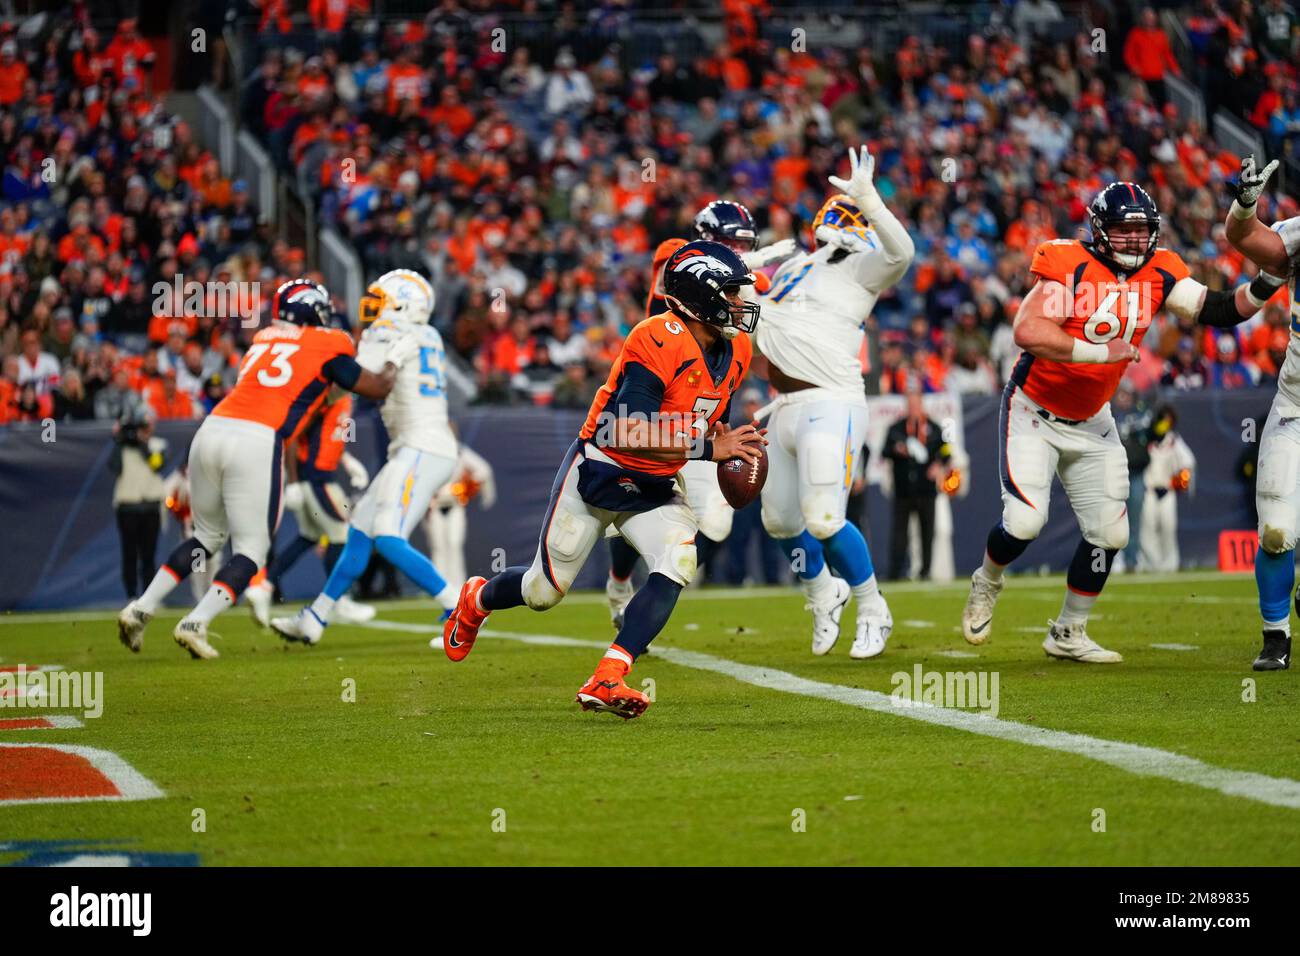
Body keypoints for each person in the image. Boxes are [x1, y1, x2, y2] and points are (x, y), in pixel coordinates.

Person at [440, 240, 765, 720]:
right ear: (702, 295)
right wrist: (706, 449)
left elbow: (710, 417)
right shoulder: (658, 337)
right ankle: (478, 597)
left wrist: (731, 446)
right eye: (732, 293)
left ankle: (608, 676)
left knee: (677, 560)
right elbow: (624, 429)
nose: (741, 303)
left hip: (655, 485)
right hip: (600, 472)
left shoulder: (737, 349)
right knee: (542, 593)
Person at [961, 180, 1284, 663]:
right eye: (1123, 231)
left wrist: (1268, 282)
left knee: (1110, 536)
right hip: (1035, 411)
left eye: (1142, 232)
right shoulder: (1067, 263)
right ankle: (987, 579)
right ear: (1099, 229)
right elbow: (1028, 331)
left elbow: (1218, 310)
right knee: (1025, 522)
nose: (1135, 242)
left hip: (1093, 419)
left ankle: (1069, 632)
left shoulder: (1160, 271)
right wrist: (1100, 352)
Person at [116, 279, 411, 660]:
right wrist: (395, 358)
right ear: (313, 312)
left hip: (211, 429)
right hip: (256, 439)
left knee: (205, 537)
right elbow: (376, 387)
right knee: (252, 551)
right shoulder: (328, 342)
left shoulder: (263, 339)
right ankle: (195, 622)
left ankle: (141, 608)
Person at [752, 145, 915, 659]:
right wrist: (742, 274)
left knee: (823, 519)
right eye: (844, 207)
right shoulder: (793, 267)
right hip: (783, 405)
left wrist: (872, 202)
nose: (845, 217)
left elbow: (903, 253)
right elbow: (763, 332)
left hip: (831, 399)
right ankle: (824, 592)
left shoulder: (863, 269)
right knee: (779, 522)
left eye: (855, 213)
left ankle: (872, 607)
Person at [272, 270, 461, 646]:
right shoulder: (429, 334)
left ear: (405, 305)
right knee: (360, 530)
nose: (372, 310)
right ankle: (316, 617)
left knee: (388, 537)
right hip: (420, 444)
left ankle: (461, 612)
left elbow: (347, 382)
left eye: (381, 302)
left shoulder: (389, 333)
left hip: (422, 445)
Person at [606, 199, 767, 624]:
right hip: (657, 389)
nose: (740, 251)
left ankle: (647, 579)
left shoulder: (737, 292)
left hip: (699, 402)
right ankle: (620, 579)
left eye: (745, 244)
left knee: (715, 524)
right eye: (731, 242)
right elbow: (674, 314)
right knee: (627, 491)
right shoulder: (675, 257)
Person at [1220, 154, 1300, 670]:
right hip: (1297, 407)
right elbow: (1246, 239)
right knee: (1275, 526)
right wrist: (1245, 204)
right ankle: (1276, 635)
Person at [244, 390, 374, 627]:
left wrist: (346, 461)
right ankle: (338, 599)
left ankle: (264, 587)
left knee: (308, 537)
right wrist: (293, 481)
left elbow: (331, 436)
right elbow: (293, 436)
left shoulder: (345, 399)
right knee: (342, 534)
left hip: (319, 476)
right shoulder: (326, 395)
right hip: (316, 479)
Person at [883, 386, 951, 580]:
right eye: (910, 404)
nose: (913, 408)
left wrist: (938, 465)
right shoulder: (896, 428)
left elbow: (947, 451)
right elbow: (884, 451)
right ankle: (897, 572)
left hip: (926, 490)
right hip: (903, 490)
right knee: (899, 534)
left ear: (921, 405)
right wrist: (897, 450)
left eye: (916, 404)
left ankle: (925, 571)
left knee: (927, 532)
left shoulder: (935, 428)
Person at [423, 441, 497, 593]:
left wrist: (467, 485)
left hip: (455, 505)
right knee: (438, 547)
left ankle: (457, 585)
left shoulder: (460, 452)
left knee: (454, 543)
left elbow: (483, 470)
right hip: (435, 506)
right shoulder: (427, 452)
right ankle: (439, 586)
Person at [109, 406, 167, 599]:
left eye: (147, 425)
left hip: (150, 506)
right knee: (129, 553)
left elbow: (157, 464)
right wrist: (119, 440)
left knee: (148, 555)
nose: (144, 429)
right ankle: (131, 595)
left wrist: (140, 442)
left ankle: (148, 596)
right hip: (128, 506)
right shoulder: (123, 446)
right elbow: (114, 467)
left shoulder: (158, 444)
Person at [1139, 405, 1196, 571]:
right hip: (1149, 490)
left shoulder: (1173, 440)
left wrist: (1179, 480)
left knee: (1168, 527)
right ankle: (1151, 564)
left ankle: (1169, 565)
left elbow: (1188, 461)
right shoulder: (1146, 439)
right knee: (1148, 528)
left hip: (1167, 491)